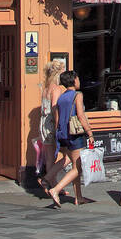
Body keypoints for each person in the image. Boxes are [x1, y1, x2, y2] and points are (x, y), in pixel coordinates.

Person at [47, 71, 95, 208]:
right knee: (77, 168)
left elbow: (57, 117)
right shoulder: (77, 95)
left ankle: (78, 197)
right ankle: (55, 190)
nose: (79, 80)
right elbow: (80, 115)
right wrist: (90, 133)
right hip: (75, 134)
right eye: (78, 78)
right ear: (74, 80)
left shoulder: (62, 97)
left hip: (64, 134)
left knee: (75, 165)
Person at [37, 59, 67, 193]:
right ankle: (51, 182)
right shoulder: (56, 89)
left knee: (49, 156)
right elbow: (55, 108)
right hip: (51, 124)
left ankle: (52, 185)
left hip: (43, 123)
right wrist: (58, 125)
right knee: (65, 156)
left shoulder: (45, 89)